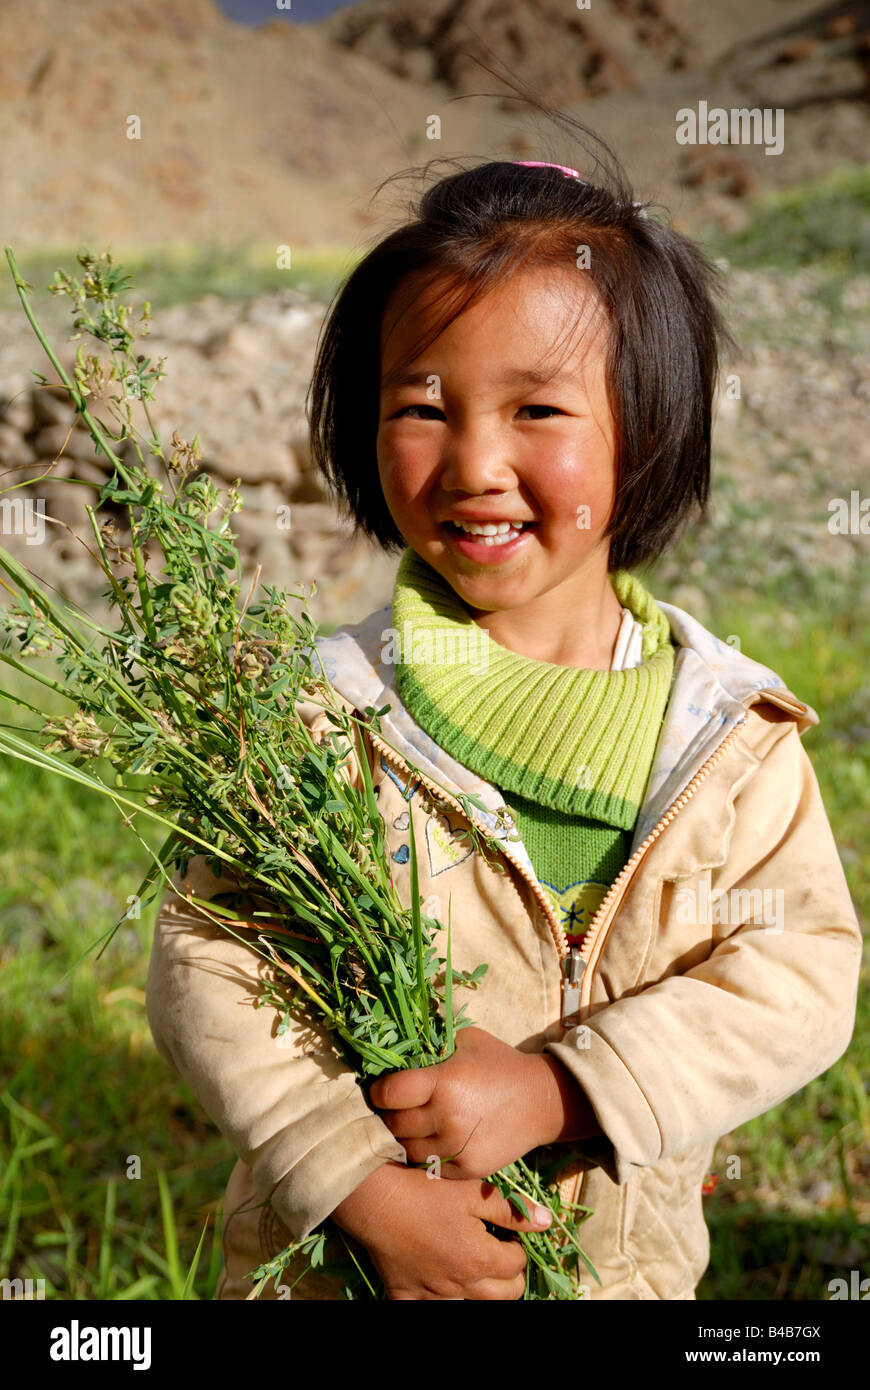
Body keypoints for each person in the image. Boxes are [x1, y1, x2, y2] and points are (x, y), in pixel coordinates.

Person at [145, 137, 862, 1301]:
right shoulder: (317, 713)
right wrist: (362, 1190)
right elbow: (208, 962)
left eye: (538, 407)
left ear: (651, 429)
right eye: (421, 407)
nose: (475, 463)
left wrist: (565, 1088)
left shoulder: (729, 737)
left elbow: (802, 972)